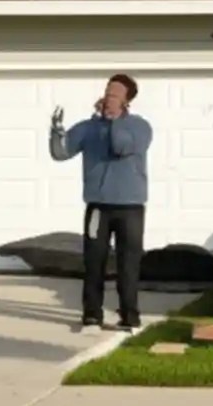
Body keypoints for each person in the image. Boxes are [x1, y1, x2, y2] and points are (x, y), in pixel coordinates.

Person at [49, 74, 153, 333]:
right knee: (94, 263)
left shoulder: (139, 128)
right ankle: (92, 316)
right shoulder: (88, 128)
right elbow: (60, 153)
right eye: (107, 93)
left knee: (128, 264)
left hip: (130, 207)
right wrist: (56, 129)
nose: (108, 99)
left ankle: (130, 317)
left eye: (115, 95)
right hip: (97, 207)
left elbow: (120, 147)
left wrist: (114, 121)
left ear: (127, 101)